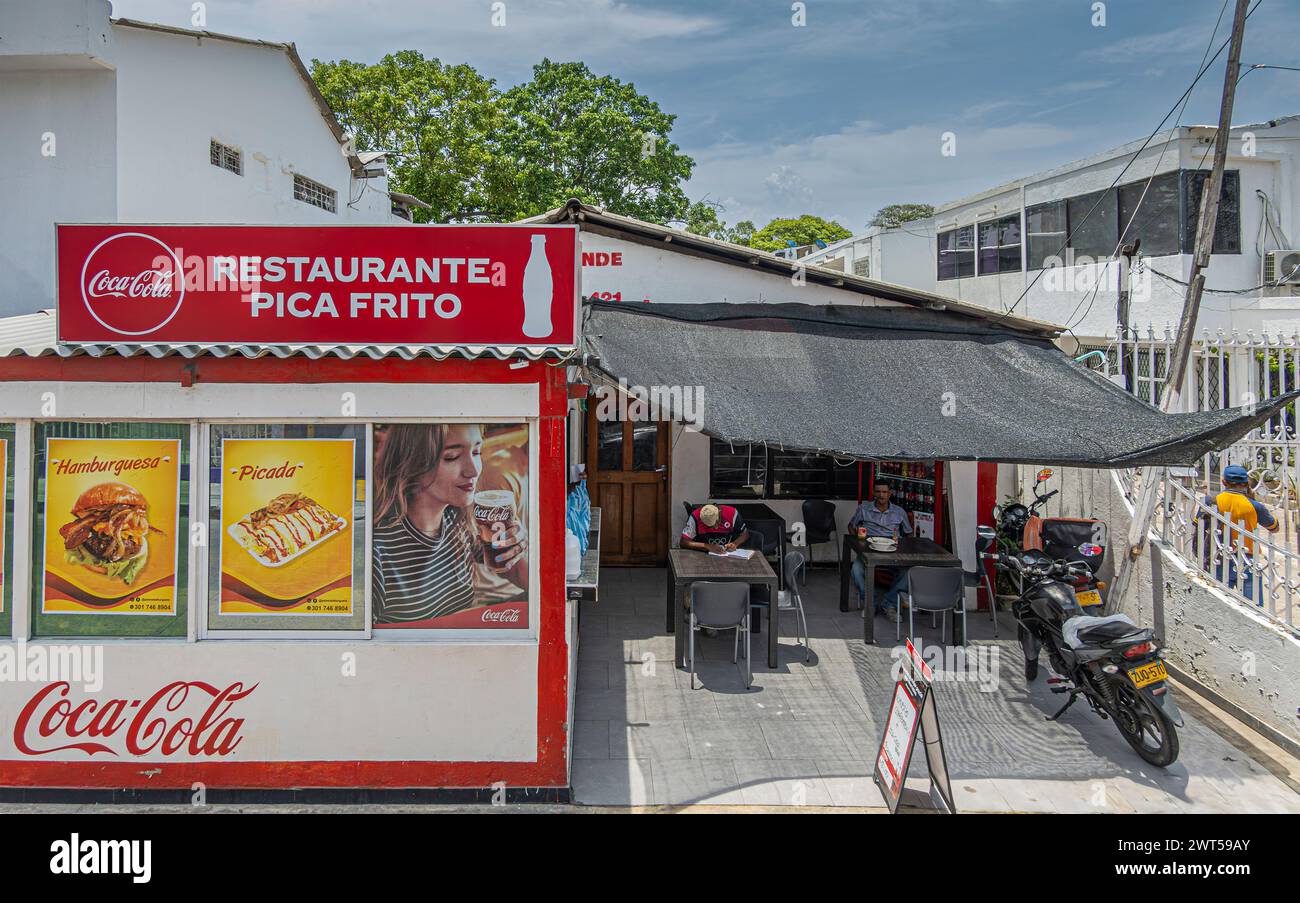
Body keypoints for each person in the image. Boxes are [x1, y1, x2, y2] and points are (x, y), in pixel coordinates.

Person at [371, 424, 527, 625]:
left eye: (477, 452)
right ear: (412, 463)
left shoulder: (459, 522)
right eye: (452, 456)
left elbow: (512, 569)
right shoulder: (377, 549)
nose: (473, 470)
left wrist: (515, 549)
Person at [1203, 464, 1277, 604]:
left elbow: (1198, 525)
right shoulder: (1254, 506)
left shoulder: (1212, 501)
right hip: (1248, 559)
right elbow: (1274, 527)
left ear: (1224, 482)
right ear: (1245, 484)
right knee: (1253, 607)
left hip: (1219, 557)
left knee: (1219, 603)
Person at [849, 481, 913, 618]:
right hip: (869, 551)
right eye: (878, 491)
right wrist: (858, 544)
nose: (881, 495)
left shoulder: (899, 512)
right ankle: (869, 603)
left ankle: (889, 603)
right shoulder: (864, 508)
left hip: (893, 552)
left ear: (890, 494)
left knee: (909, 572)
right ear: (873, 493)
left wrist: (905, 549)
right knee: (856, 569)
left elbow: (908, 534)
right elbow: (851, 526)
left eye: (884, 492)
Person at [680, 503, 750, 553]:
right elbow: (684, 542)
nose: (715, 527)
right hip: (702, 555)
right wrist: (706, 546)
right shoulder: (695, 516)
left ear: (719, 512)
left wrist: (734, 544)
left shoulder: (732, 513)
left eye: (716, 522)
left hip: (725, 555)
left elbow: (745, 534)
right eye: (709, 526)